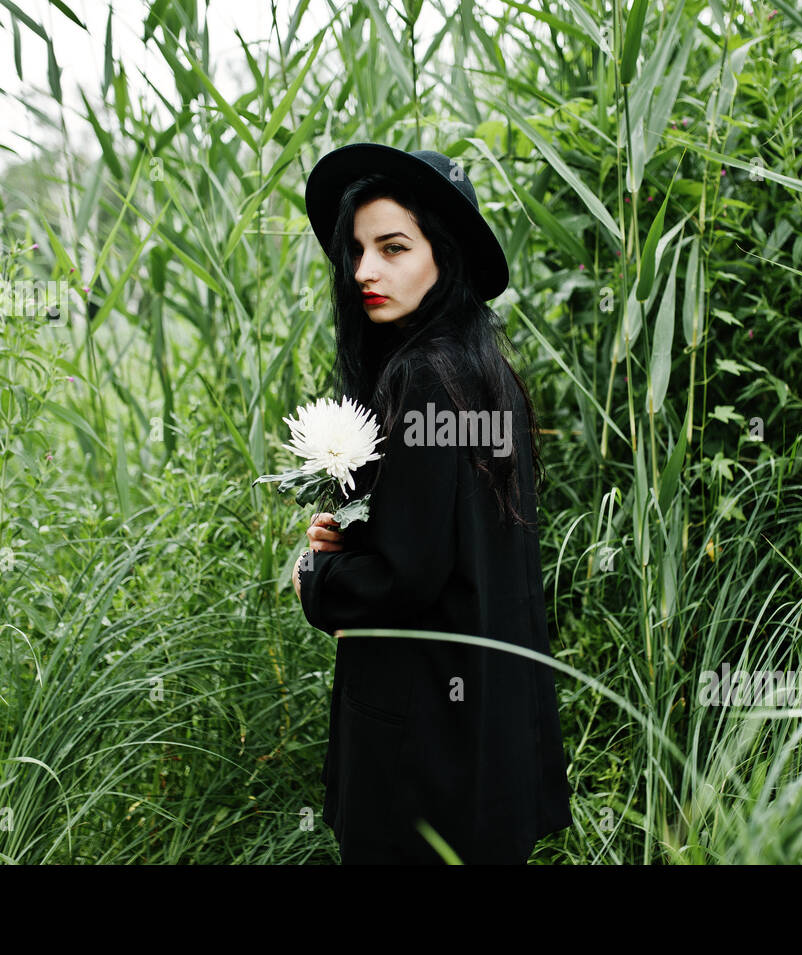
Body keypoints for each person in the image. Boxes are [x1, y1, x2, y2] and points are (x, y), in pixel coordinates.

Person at [293, 143, 572, 864]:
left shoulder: (420, 377)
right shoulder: (487, 374)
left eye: (392, 247)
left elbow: (406, 573)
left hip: (419, 749)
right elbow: (461, 558)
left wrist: (318, 581)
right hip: (486, 737)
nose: (364, 272)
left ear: (442, 254)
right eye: (355, 251)